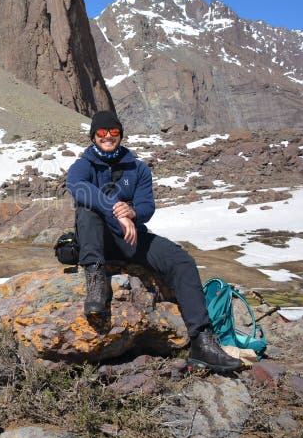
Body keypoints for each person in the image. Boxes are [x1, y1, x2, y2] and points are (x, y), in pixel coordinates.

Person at [66, 110, 242, 373]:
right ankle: (95, 283)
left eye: (113, 132)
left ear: (120, 135)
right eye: (101, 132)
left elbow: (147, 206)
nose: (107, 137)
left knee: (181, 260)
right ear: (93, 136)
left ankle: (202, 342)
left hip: (130, 238)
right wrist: (116, 210)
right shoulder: (85, 164)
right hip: (96, 240)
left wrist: (132, 213)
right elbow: (76, 185)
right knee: (87, 211)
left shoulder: (137, 168)